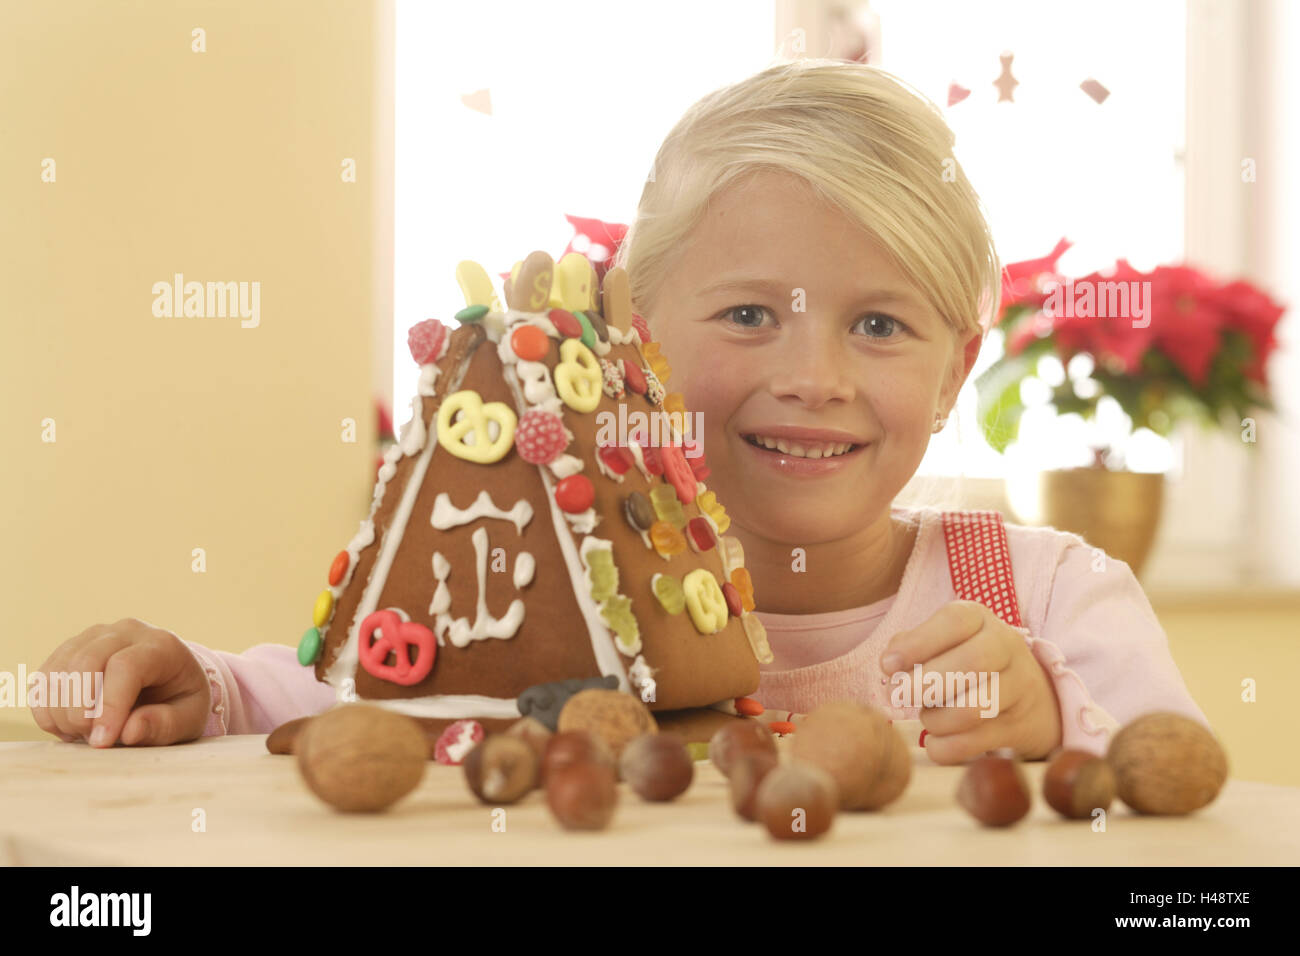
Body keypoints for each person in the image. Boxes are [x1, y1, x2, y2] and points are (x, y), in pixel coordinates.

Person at [32, 60, 1209, 763]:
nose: (814, 374)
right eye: (748, 313)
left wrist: (1056, 719)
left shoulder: (1050, 598)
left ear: (955, 374)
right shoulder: (561, 578)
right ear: (637, 338)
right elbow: (380, 689)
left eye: (879, 325)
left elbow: (1196, 827)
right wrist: (201, 685)